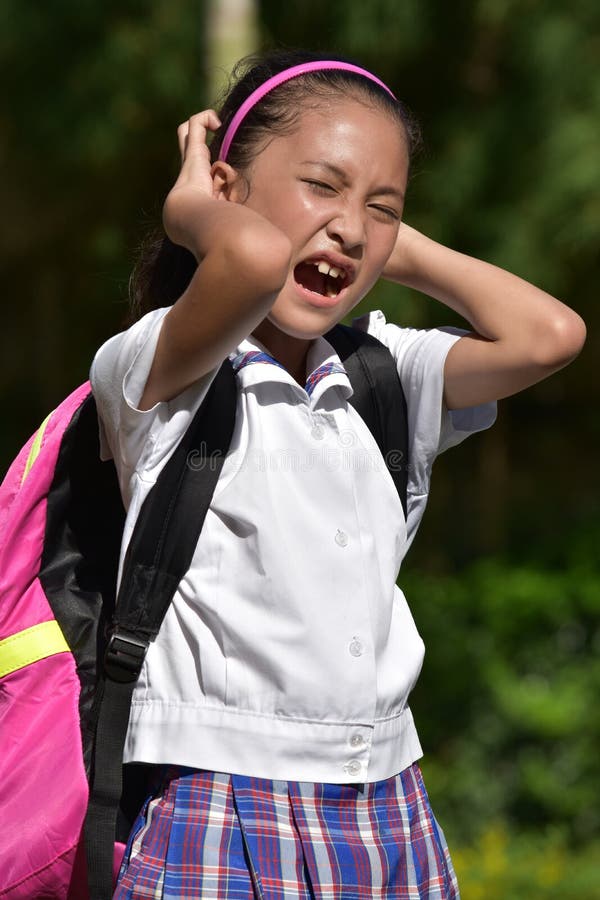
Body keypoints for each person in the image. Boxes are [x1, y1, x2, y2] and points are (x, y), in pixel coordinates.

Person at [91, 49, 586, 899]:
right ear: (224, 190)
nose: (351, 229)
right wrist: (192, 215)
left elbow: (549, 335)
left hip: (386, 799)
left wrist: (389, 242)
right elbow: (244, 262)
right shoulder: (156, 367)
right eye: (322, 185)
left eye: (382, 208)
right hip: (217, 797)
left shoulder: (381, 370)